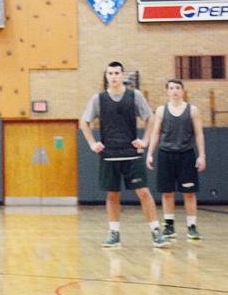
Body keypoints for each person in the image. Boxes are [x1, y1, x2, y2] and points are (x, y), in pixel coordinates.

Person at [80, 61, 169, 248]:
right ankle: (114, 234)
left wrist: (145, 140)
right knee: (112, 195)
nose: (113, 76)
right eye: (110, 73)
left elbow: (150, 118)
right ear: (106, 76)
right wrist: (92, 143)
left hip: (131, 153)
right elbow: (84, 122)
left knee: (144, 192)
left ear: (123, 75)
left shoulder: (134, 95)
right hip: (109, 154)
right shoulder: (98, 99)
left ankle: (156, 232)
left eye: (116, 73)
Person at [146, 79, 206, 240]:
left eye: (177, 88)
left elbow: (199, 134)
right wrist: (149, 153)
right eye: (171, 88)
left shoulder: (192, 110)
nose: (174, 91)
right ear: (167, 91)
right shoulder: (161, 110)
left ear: (182, 91)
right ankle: (169, 226)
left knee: (189, 193)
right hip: (165, 154)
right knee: (167, 193)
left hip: (186, 155)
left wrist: (202, 155)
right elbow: (156, 133)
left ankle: (192, 227)